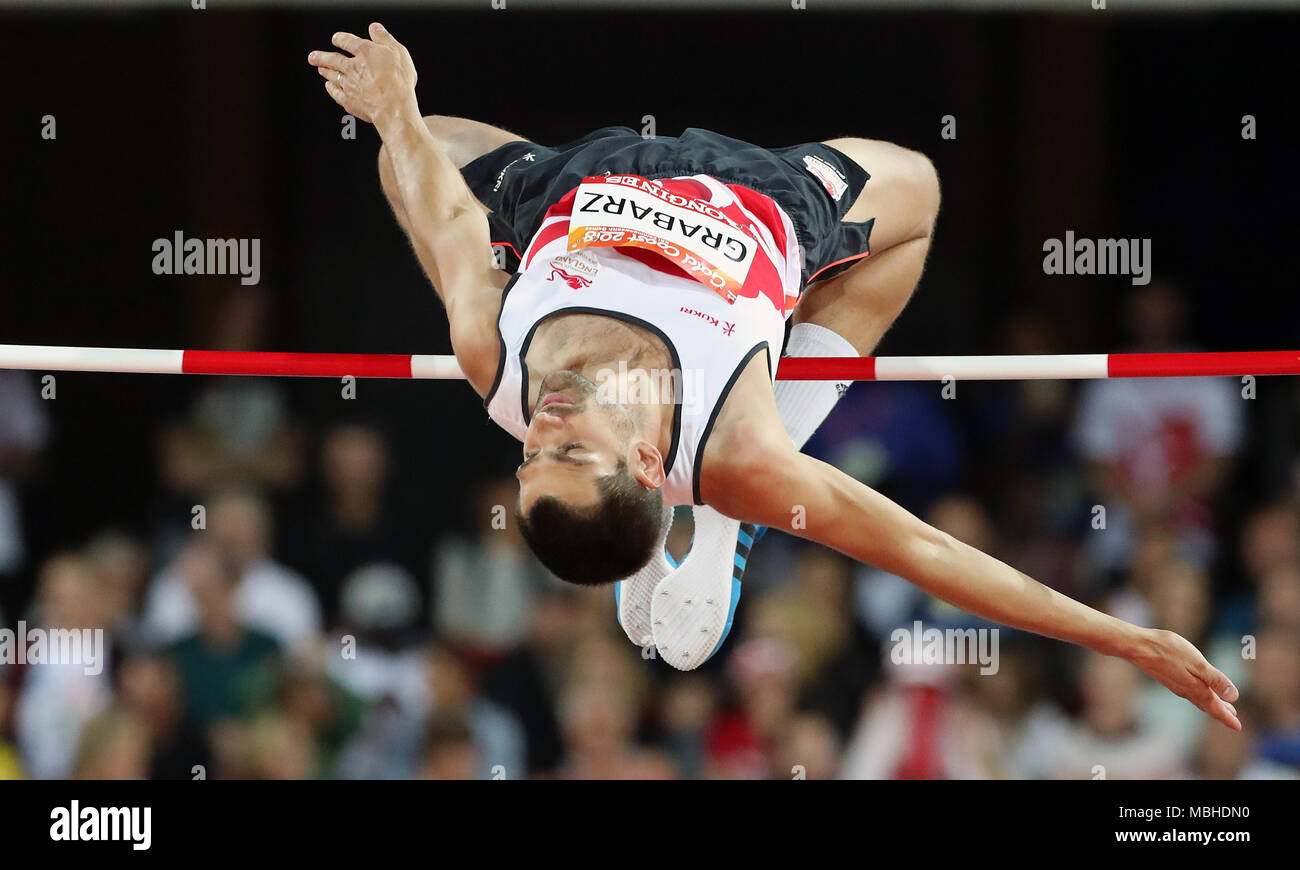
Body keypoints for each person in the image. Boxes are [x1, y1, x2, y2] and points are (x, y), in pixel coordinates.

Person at [306, 23, 1241, 731]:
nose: (541, 424)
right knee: (914, 189)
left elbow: (441, 218)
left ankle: (705, 524)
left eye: (531, 454)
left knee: (416, 149)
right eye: (567, 448)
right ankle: (721, 520)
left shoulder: (501, 362)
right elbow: (930, 554)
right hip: (756, 197)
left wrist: (396, 110)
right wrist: (1129, 638)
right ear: (641, 458)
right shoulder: (744, 447)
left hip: (573, 189)